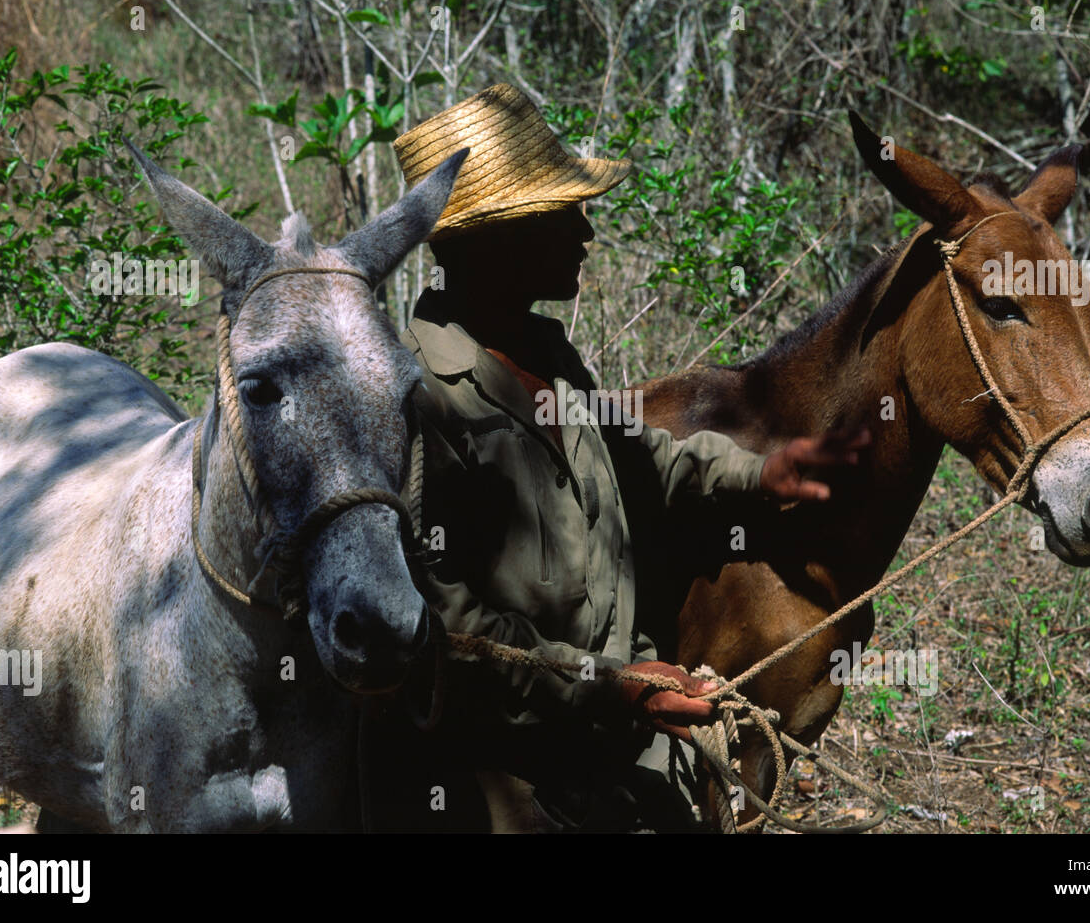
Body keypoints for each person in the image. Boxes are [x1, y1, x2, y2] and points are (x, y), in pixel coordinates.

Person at [365, 84, 866, 832]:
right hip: (497, 778)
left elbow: (645, 462)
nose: (585, 233)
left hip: (611, 753)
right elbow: (453, 632)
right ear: (500, 241)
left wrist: (761, 474)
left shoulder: (551, 357)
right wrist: (616, 686)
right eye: (564, 214)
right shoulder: (420, 397)